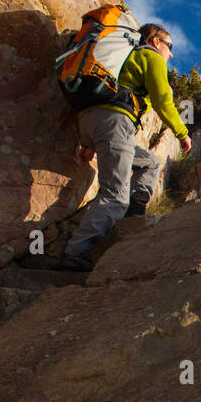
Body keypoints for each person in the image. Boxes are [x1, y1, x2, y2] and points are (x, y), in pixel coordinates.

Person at [61, 23, 192, 271]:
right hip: (115, 121)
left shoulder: (123, 59)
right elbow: (163, 100)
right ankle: (76, 252)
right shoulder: (149, 57)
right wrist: (182, 133)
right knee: (115, 195)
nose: (171, 53)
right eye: (169, 46)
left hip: (89, 120)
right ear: (155, 42)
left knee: (150, 162)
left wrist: (87, 142)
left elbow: (105, 95)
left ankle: (134, 215)